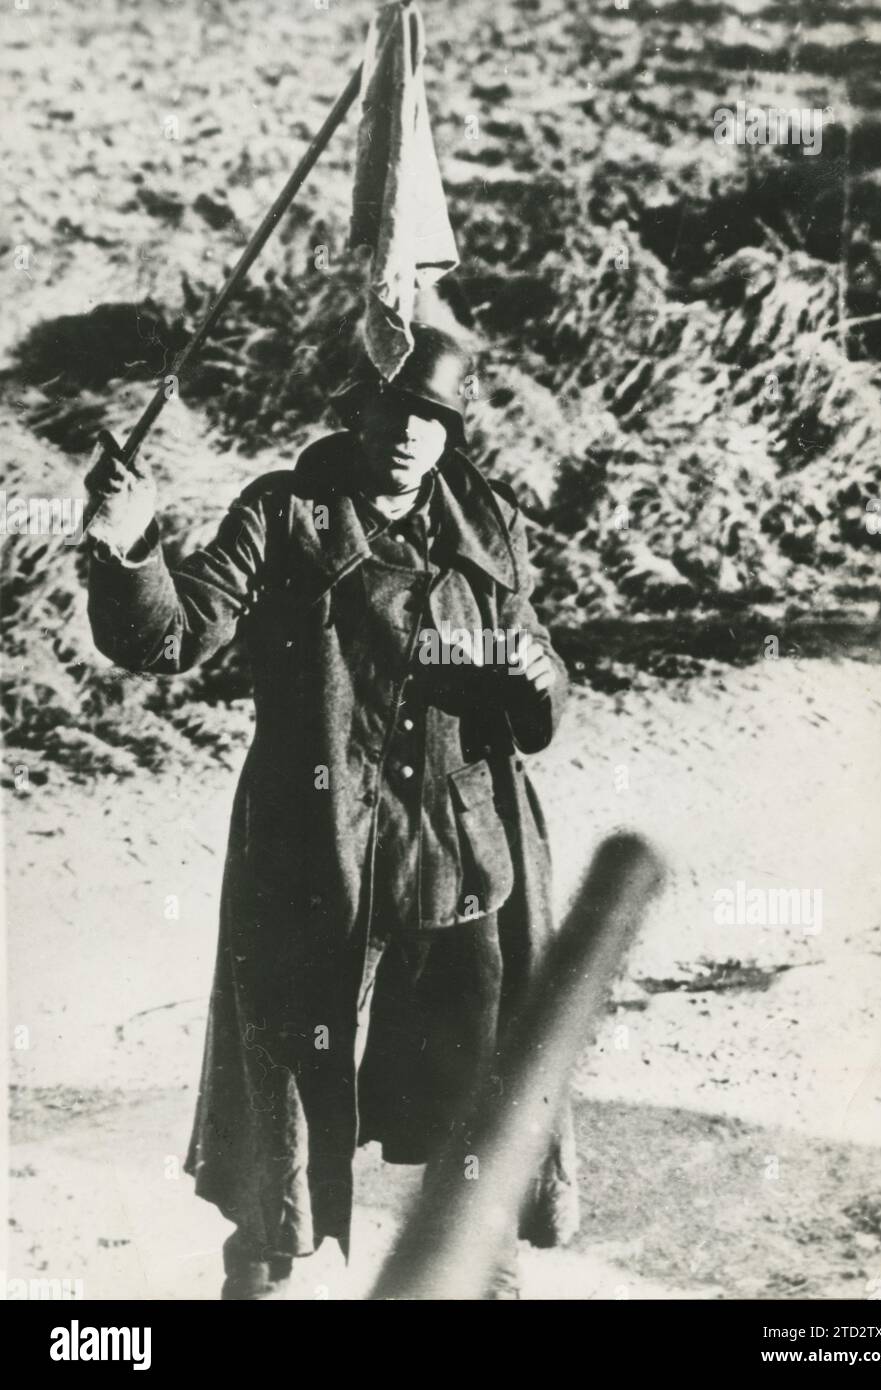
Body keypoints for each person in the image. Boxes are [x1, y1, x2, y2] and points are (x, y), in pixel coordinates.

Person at [84, 322, 578, 1300]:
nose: (409, 433)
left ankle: (485, 1276)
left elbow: (545, 689)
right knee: (284, 1099)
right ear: (358, 410)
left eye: (433, 417)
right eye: (394, 408)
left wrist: (537, 676)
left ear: (451, 432)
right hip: (318, 863)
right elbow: (172, 635)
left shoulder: (489, 530)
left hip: (458, 859)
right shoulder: (284, 514)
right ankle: (262, 1275)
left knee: (474, 1098)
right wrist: (131, 545)